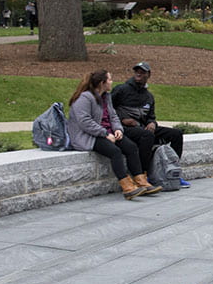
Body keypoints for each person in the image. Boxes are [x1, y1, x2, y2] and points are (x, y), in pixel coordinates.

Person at [66, 69, 161, 200]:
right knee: (115, 152)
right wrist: (105, 133)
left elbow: (113, 116)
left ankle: (141, 181)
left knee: (131, 147)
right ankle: (127, 187)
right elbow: (85, 122)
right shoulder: (85, 98)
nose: (112, 82)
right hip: (88, 136)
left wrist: (118, 129)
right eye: (109, 79)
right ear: (102, 83)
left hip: (107, 132)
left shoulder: (106, 97)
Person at [110, 61, 190, 188]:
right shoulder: (121, 90)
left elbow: (151, 116)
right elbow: (108, 109)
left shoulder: (148, 96)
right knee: (147, 136)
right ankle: (143, 175)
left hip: (142, 127)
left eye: (142, 72)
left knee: (176, 134)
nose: (139, 74)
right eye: (137, 71)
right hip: (124, 128)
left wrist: (152, 123)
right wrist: (122, 119)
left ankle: (173, 172)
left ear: (149, 75)